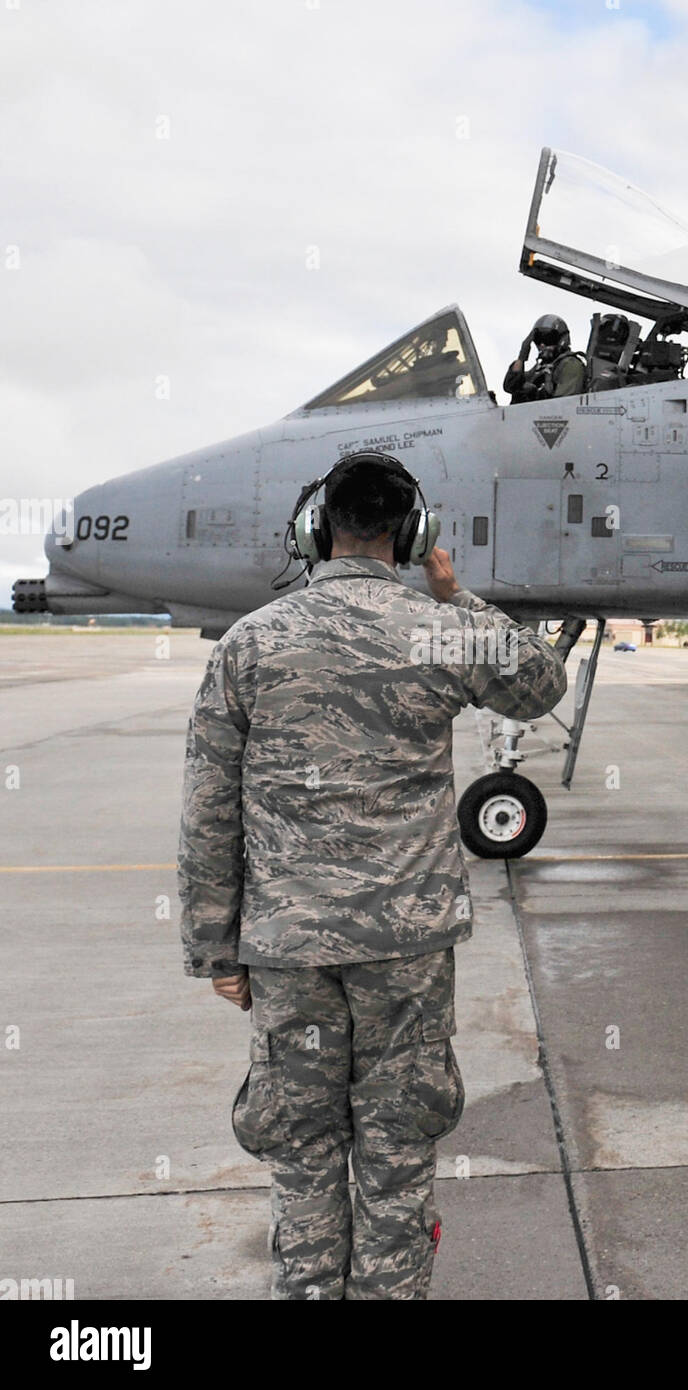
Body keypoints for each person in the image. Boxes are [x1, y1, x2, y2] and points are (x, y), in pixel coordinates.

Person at [177, 451, 567, 1300]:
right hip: (406, 949)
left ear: (317, 531)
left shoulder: (252, 642)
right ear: (413, 533)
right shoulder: (439, 629)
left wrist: (218, 951)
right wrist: (455, 594)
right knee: (395, 1153)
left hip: (289, 951)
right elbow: (541, 683)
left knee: (304, 1151)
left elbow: (210, 806)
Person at [502, 313, 586, 404]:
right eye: (538, 339)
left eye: (548, 338)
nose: (542, 344)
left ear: (562, 339)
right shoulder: (541, 367)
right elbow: (511, 386)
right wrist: (522, 356)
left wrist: (536, 395)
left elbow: (564, 406)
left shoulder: (570, 364)